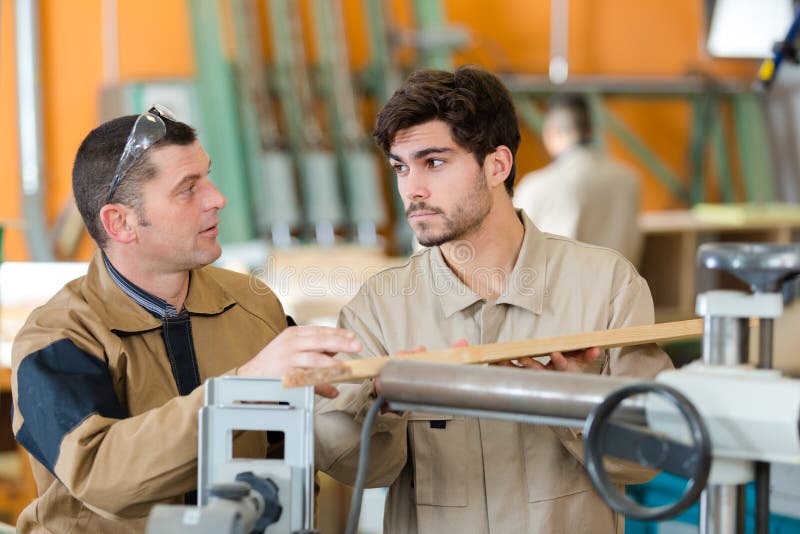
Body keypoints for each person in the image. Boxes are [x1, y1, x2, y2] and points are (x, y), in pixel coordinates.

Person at [314, 67, 672, 533]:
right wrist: (385, 409)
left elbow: (651, 454)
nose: (411, 189)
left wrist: (576, 404)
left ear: (497, 165)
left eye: (433, 162)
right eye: (401, 167)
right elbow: (348, 462)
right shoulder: (380, 308)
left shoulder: (607, 286)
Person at [10, 107, 359, 533]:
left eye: (206, 178)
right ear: (120, 222)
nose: (217, 199)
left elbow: (289, 458)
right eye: (188, 189)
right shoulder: (58, 338)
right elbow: (102, 476)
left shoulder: (253, 306)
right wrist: (241, 391)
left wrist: (374, 395)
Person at [513, 92, 643, 265]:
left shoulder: (537, 186)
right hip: (621, 282)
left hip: (561, 283)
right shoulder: (629, 180)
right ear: (590, 130)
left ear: (551, 133)